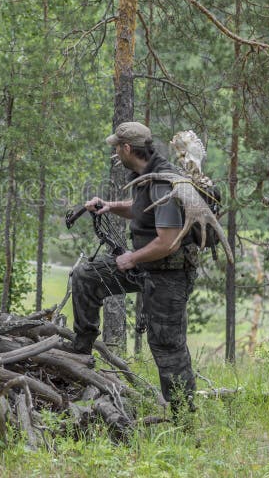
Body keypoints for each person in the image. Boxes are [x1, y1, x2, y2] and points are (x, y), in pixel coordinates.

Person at [70, 121, 198, 412]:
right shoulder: (145, 176)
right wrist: (111, 206)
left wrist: (131, 258)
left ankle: (184, 416)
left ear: (127, 148)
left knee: (166, 343)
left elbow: (168, 242)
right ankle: (80, 355)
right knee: (85, 277)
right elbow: (142, 210)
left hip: (170, 275)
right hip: (147, 267)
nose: (115, 151)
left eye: (117, 147)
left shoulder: (165, 183)